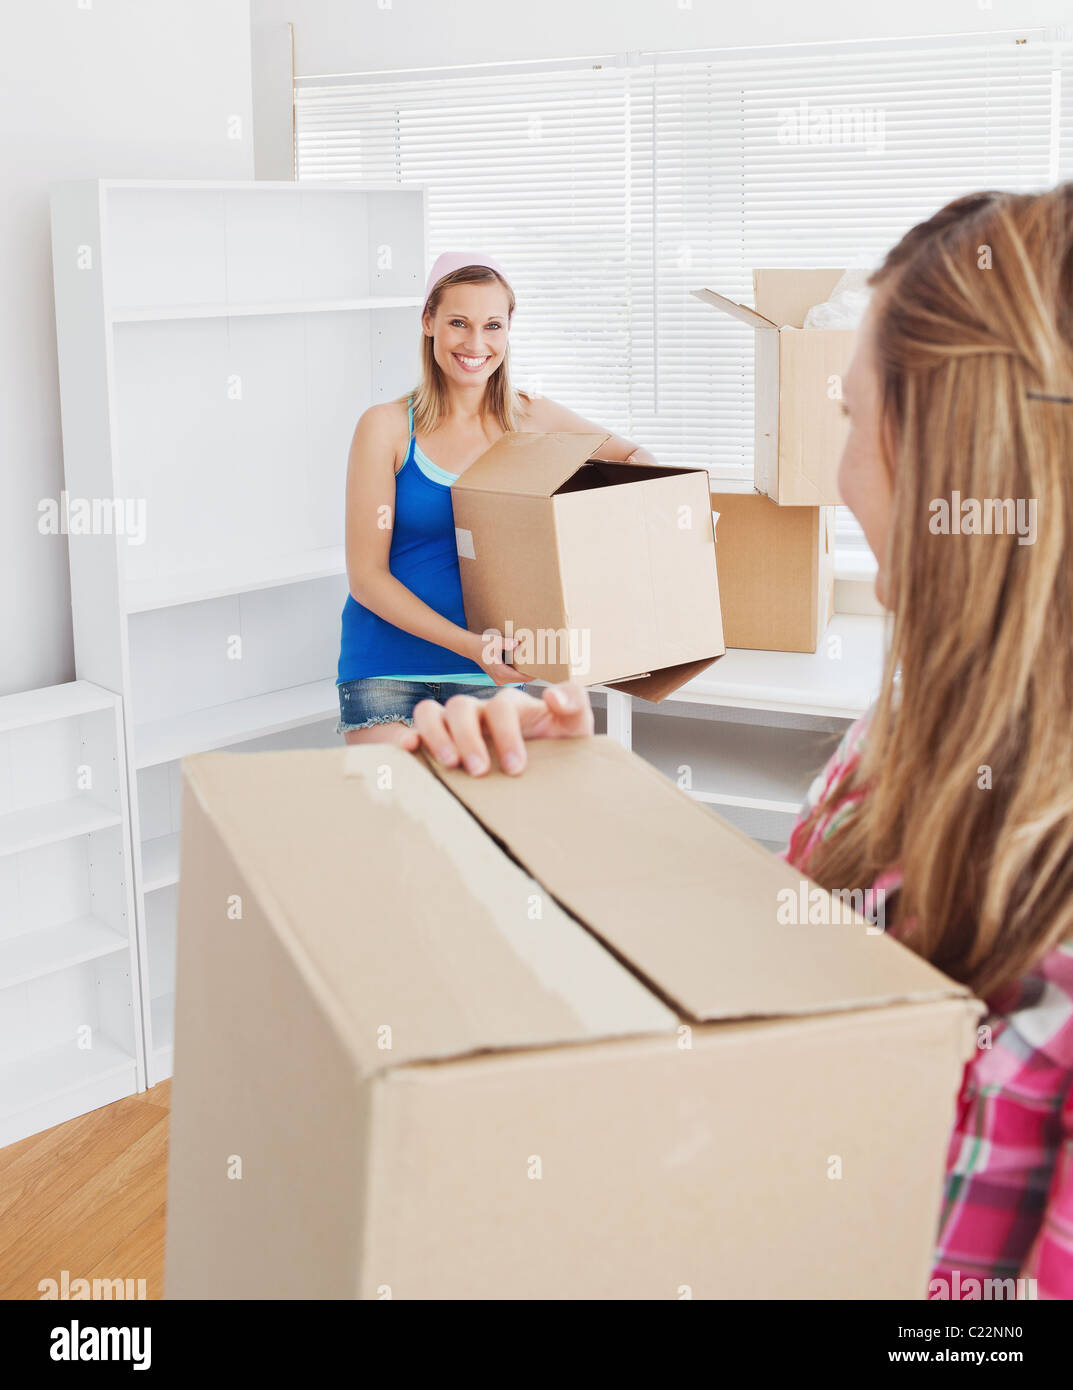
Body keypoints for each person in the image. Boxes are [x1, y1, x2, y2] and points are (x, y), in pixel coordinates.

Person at [401, 187, 1073, 1297]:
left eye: (850, 419)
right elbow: (778, 972)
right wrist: (571, 806)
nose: (837, 467)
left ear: (956, 459)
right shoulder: (897, 746)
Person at [336, 250, 656, 746]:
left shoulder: (530, 418)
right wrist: (471, 646)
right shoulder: (386, 427)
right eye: (458, 323)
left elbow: (636, 460)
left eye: (492, 325)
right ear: (428, 323)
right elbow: (366, 579)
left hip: (494, 672)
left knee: (488, 816)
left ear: (508, 330)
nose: (475, 343)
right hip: (388, 667)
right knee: (398, 813)